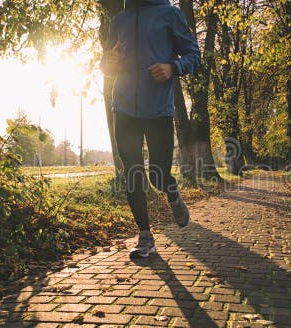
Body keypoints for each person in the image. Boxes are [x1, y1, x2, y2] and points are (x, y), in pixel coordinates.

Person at [100, 0, 200, 259]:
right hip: (123, 109)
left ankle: (171, 191)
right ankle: (145, 237)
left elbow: (194, 55)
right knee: (133, 174)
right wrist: (108, 62)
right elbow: (106, 65)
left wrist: (173, 67)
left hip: (158, 109)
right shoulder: (119, 20)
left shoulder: (169, 14)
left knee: (157, 175)